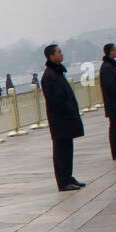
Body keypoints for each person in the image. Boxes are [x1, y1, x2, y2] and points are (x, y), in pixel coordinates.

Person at [40, 44, 86, 190]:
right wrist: (67, 112)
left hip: (66, 119)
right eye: (58, 52)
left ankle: (68, 176)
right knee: (61, 151)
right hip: (60, 120)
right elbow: (56, 100)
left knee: (67, 149)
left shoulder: (57, 73)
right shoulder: (49, 76)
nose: (61, 54)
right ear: (51, 56)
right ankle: (63, 181)